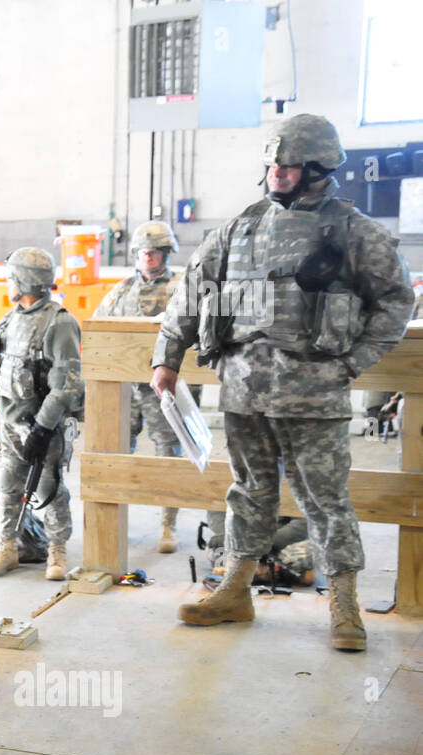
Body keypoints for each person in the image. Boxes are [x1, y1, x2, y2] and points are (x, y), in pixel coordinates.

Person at [149, 114, 414, 651]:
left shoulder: (354, 232)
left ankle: (344, 608)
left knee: (326, 502)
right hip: (244, 389)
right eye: (273, 165)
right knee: (247, 493)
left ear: (319, 169)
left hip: (316, 393)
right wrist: (166, 357)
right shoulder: (239, 229)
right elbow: (191, 294)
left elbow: (396, 301)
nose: (278, 175)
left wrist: (352, 361)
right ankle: (235, 591)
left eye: (290, 167)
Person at [0, 247, 82, 581]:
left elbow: (66, 385)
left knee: (50, 488)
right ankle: (7, 547)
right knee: (7, 485)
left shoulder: (59, 324)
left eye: (11, 278)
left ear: (23, 281)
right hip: (9, 424)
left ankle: (57, 551)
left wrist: (43, 429)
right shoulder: (8, 320)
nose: (8, 284)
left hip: (43, 427)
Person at [93, 220, 194, 553]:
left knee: (169, 452)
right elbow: (100, 328)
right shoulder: (121, 290)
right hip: (125, 386)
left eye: (154, 252)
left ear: (166, 252)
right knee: (119, 450)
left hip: (165, 384)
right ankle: (117, 521)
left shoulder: (183, 288)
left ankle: (169, 524)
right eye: (143, 252)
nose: (148, 257)